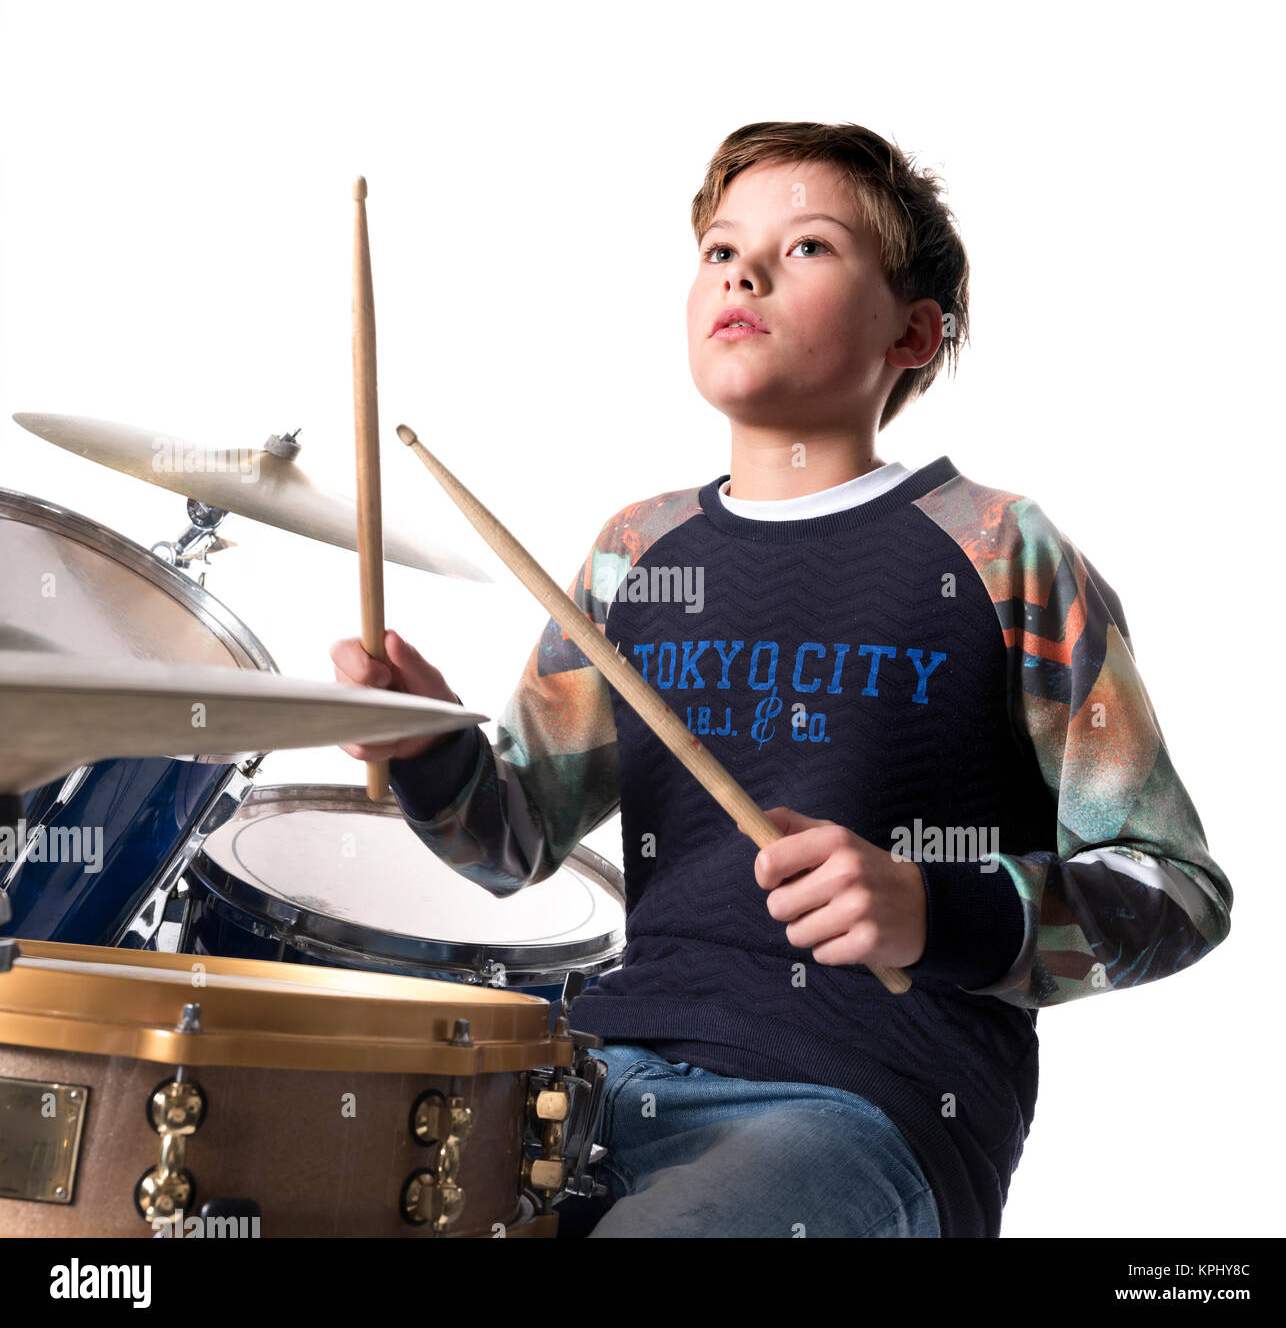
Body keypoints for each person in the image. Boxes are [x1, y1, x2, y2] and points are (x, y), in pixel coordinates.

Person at [330, 121, 1232, 1238]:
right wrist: (427, 750)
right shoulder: (638, 550)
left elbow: (1172, 893)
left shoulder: (999, 549)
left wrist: (930, 908)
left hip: (858, 1101)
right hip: (597, 1068)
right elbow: (509, 840)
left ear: (912, 332)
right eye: (719, 249)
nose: (743, 271)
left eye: (806, 248)